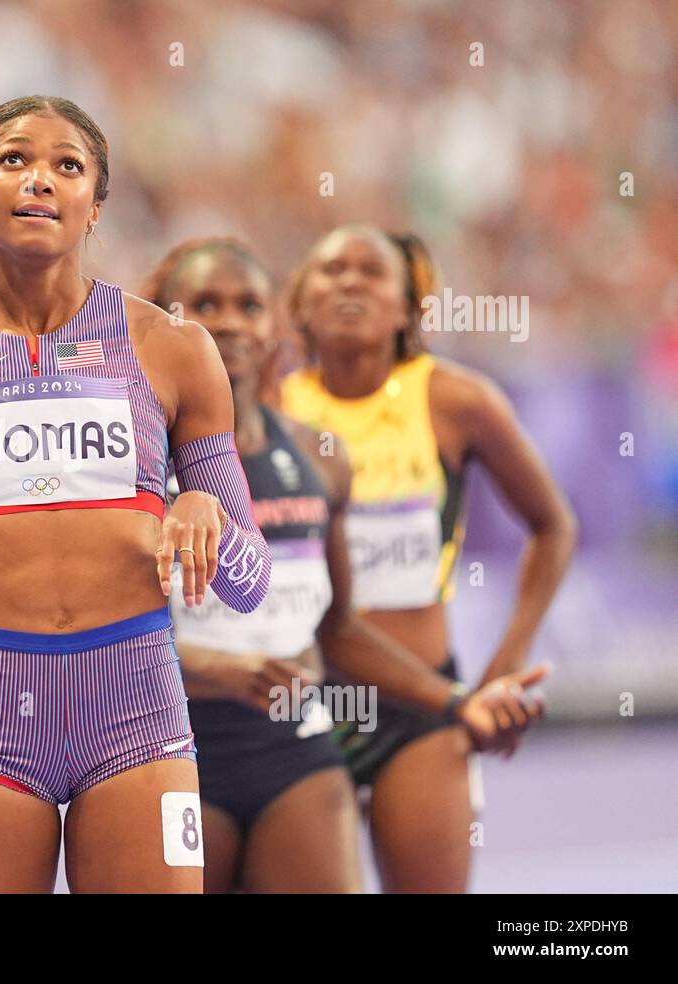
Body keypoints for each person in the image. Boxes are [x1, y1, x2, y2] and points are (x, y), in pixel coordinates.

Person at [0, 95, 272, 893]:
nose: (40, 179)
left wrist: (203, 511)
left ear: (95, 207)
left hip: (135, 710)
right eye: (14, 159)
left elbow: (248, 585)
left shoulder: (172, 349)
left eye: (68, 166)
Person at [144, 236, 548, 893]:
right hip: (172, 753)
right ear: (162, 319)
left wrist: (458, 700)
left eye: (248, 305)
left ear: (275, 326)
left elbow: (337, 632)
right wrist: (222, 672)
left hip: (296, 751)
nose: (226, 322)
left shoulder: (318, 458)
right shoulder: (130, 462)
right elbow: (94, 631)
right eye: (204, 304)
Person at [280, 225, 577, 891]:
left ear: (408, 308)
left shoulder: (455, 401)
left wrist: (506, 662)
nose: (350, 281)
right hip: (303, 703)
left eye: (371, 272)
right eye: (331, 271)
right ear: (298, 304)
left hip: (423, 708)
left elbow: (553, 524)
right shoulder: (272, 410)